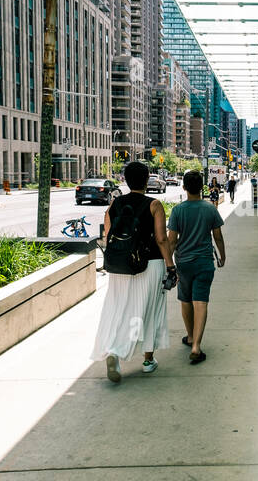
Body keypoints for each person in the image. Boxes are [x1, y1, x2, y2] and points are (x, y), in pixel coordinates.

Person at [92, 161, 175, 383]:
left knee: (120, 308)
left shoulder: (115, 205)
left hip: (121, 266)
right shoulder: (154, 204)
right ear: (147, 179)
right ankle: (148, 361)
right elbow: (161, 239)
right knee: (149, 310)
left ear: (126, 180)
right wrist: (171, 266)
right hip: (151, 264)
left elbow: (108, 235)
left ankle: (114, 352)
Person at [167, 170, 226, 364]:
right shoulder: (210, 209)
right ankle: (196, 346)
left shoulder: (177, 210)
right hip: (203, 262)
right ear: (202, 187)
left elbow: (172, 241)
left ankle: (190, 336)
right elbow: (217, 236)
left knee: (185, 299)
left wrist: (168, 262)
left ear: (184, 187)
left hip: (183, 263)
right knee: (200, 301)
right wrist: (222, 255)